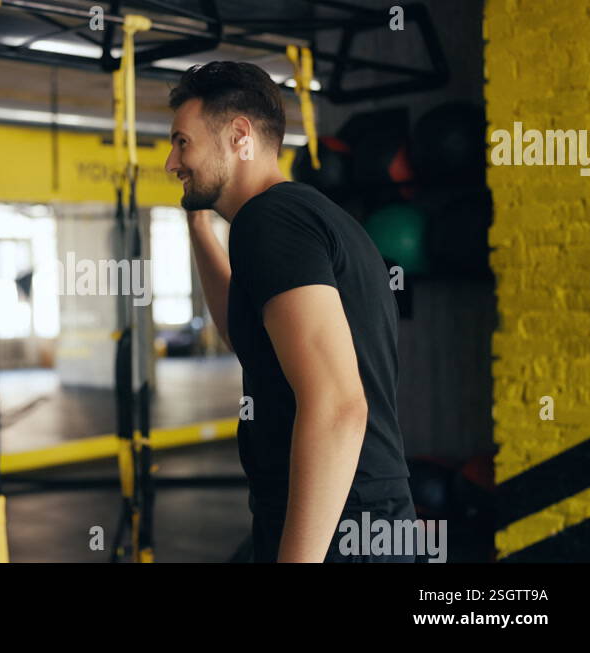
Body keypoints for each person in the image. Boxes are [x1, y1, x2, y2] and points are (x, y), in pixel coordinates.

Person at [165, 62, 417, 563]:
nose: (171, 163)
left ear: (239, 135)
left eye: (182, 142)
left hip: (341, 522)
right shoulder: (300, 215)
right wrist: (199, 229)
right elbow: (250, 337)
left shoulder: (271, 221)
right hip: (352, 513)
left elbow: (339, 405)